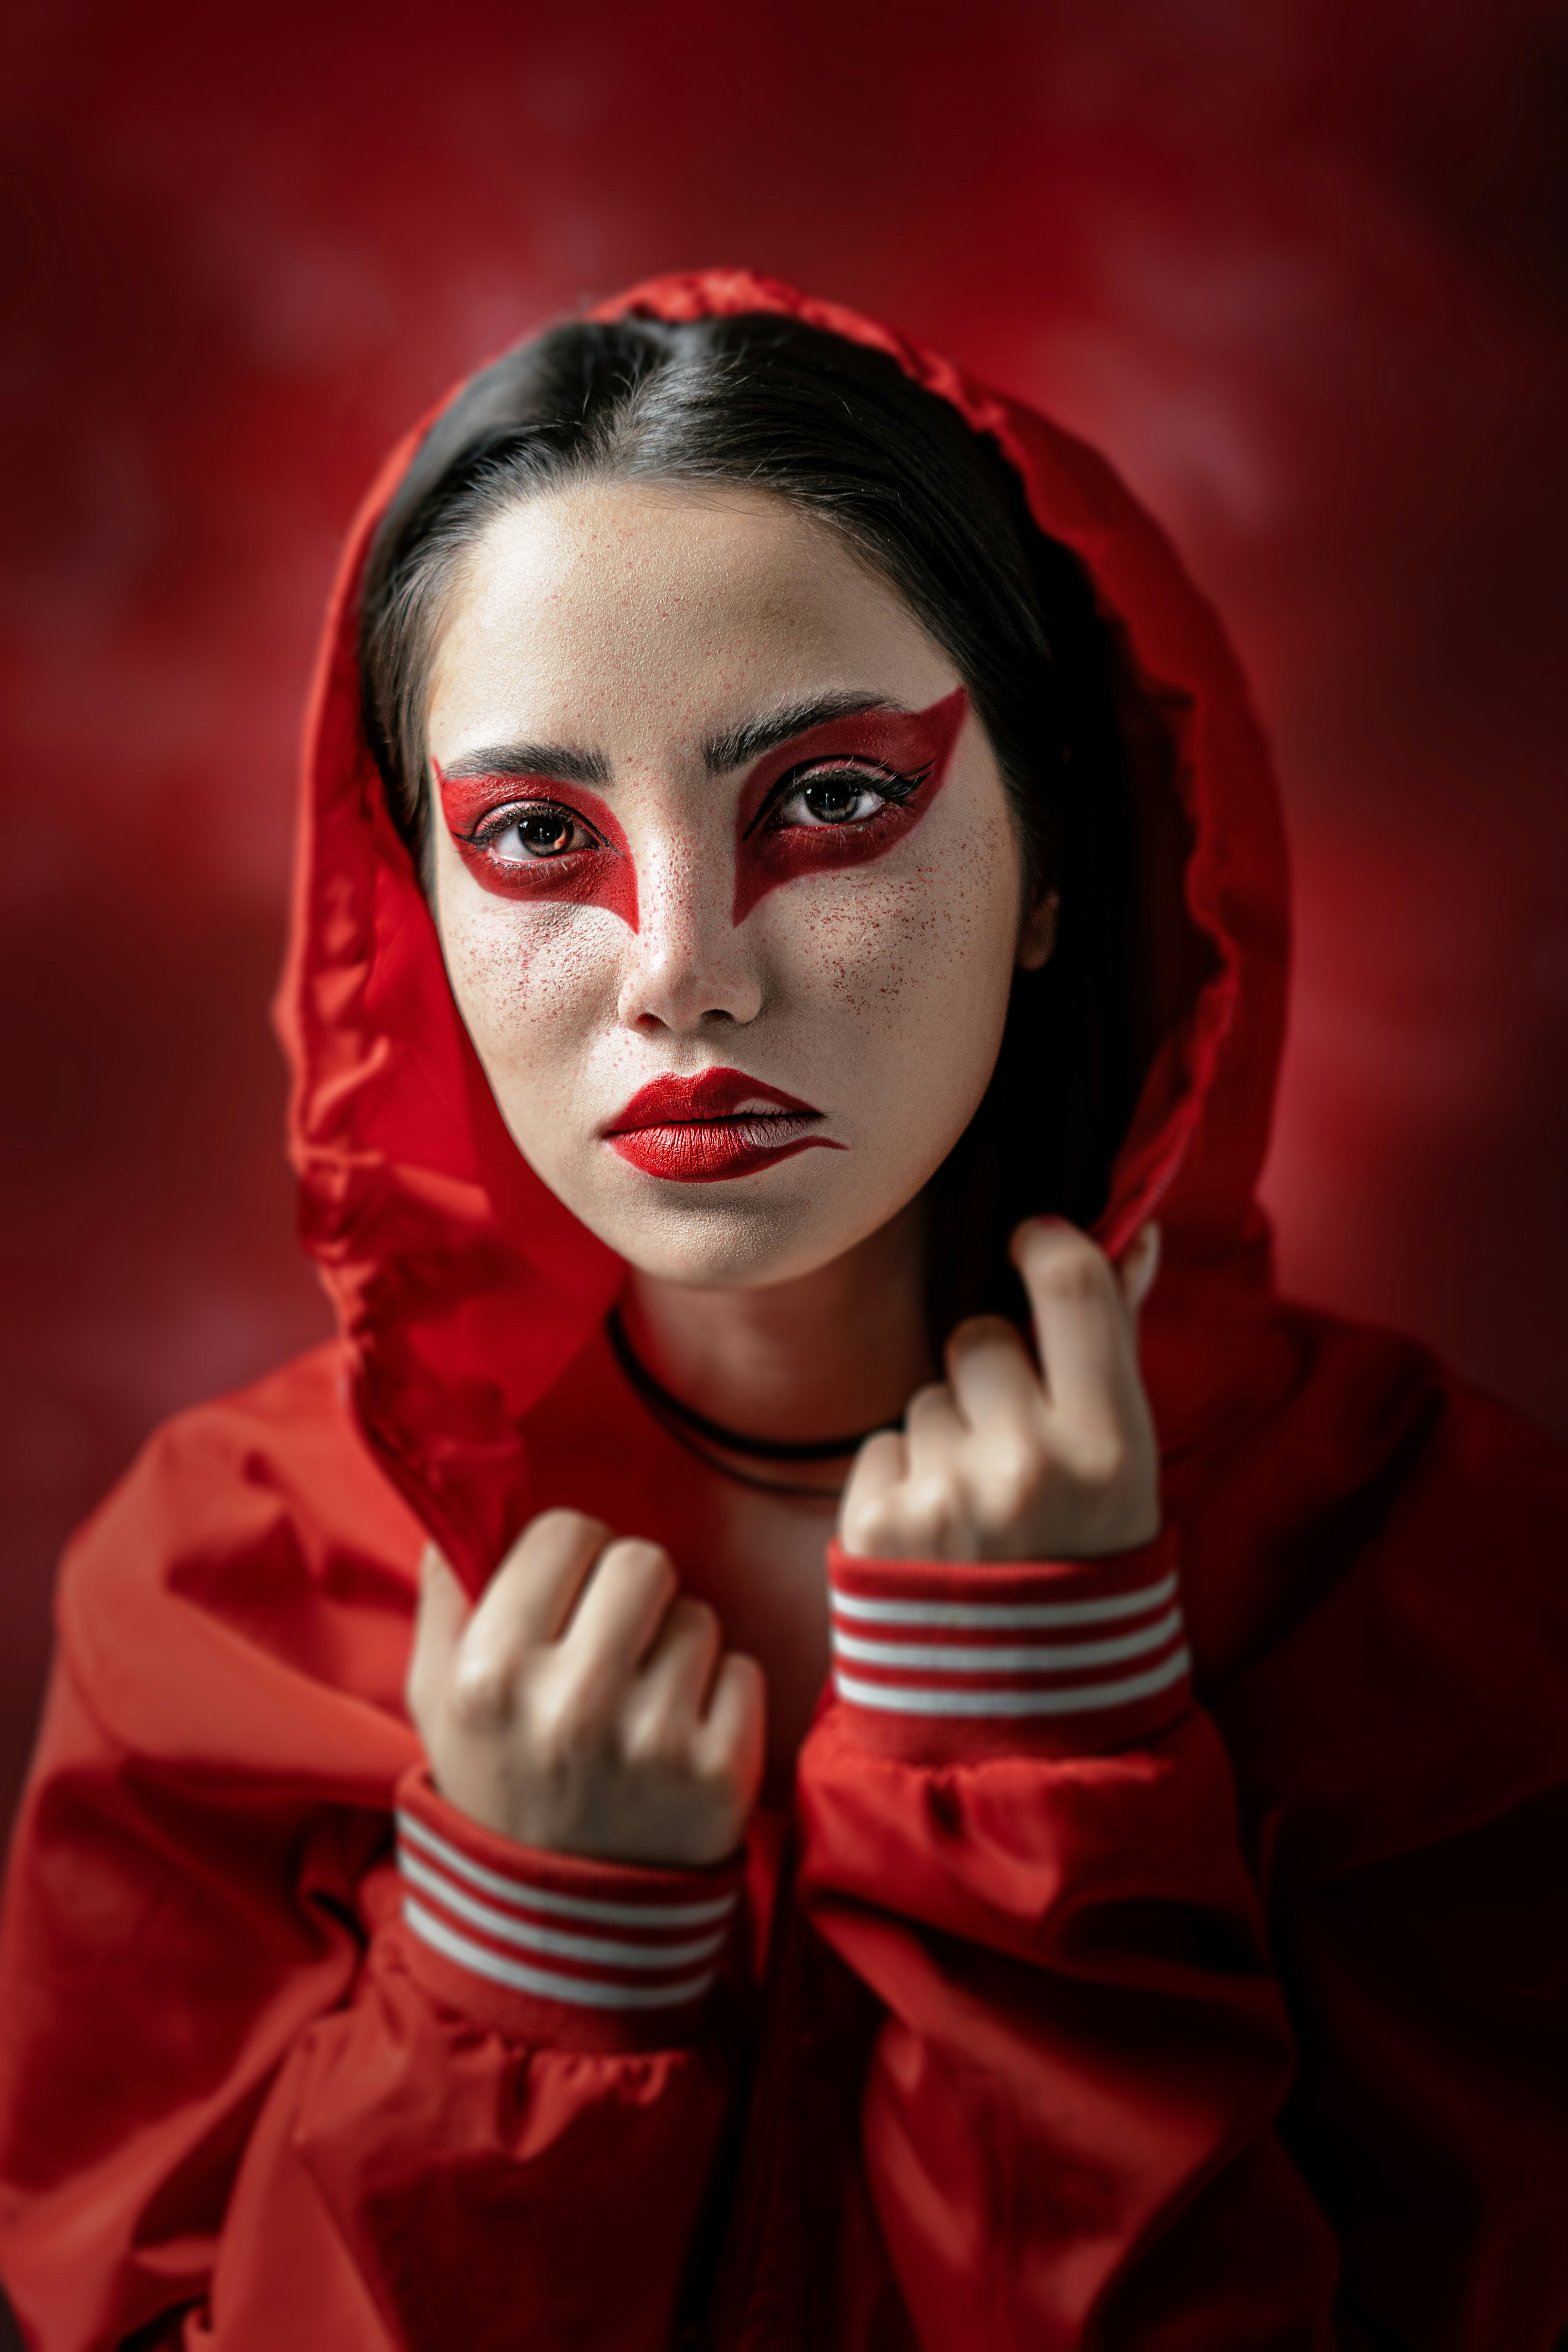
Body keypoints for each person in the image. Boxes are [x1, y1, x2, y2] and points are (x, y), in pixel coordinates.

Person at [0, 268, 1564, 2352]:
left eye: (830, 800)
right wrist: (522, 1971)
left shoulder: (1427, 1556)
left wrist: (1044, 1761)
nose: (684, 976)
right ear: (422, 910)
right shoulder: (221, 1582)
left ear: (1059, 870)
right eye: (541, 834)